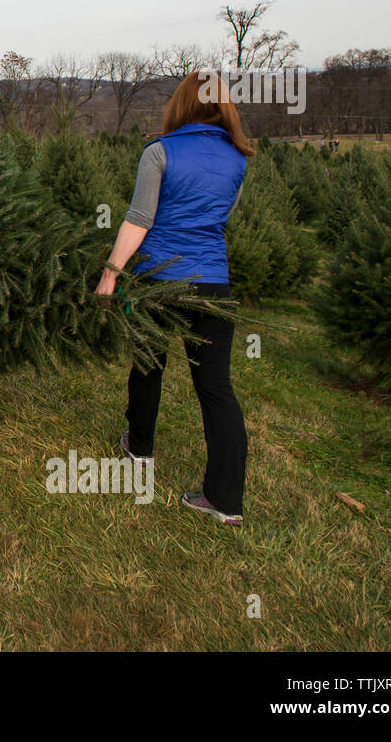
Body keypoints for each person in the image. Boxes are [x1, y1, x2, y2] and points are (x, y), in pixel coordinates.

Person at [96, 71, 254, 525]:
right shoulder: (238, 159)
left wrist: (111, 274)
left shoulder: (160, 151)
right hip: (214, 285)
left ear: (180, 105)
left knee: (148, 365)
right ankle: (224, 500)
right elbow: (221, 216)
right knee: (216, 388)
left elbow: (140, 218)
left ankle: (140, 449)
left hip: (159, 282)